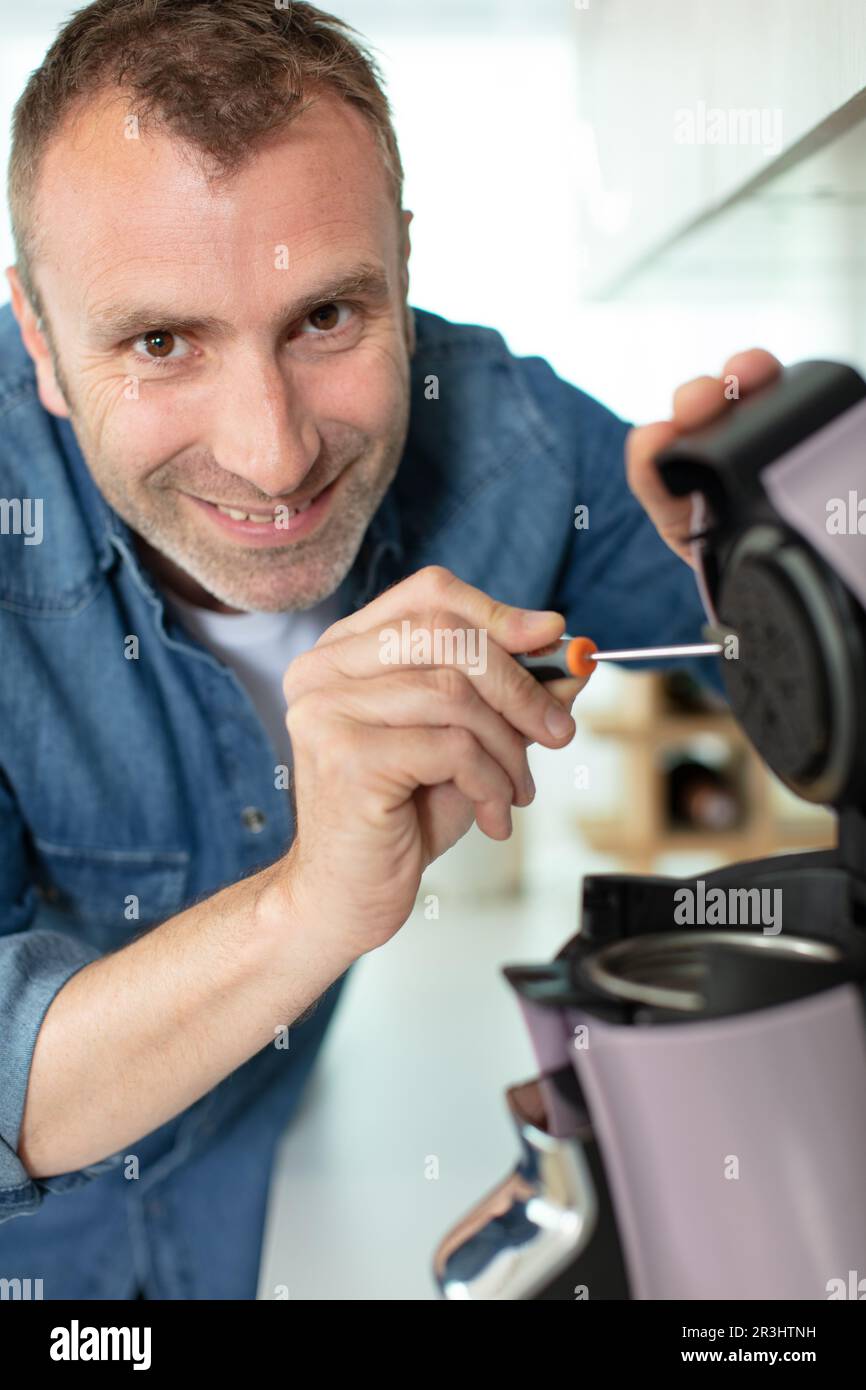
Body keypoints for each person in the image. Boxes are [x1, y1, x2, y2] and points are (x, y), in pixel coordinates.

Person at [0, 0, 780, 1298]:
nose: (274, 450)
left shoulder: (514, 442)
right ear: (39, 339)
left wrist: (802, 536)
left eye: (325, 319)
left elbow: (799, 689)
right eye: (159, 342)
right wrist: (314, 902)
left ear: (404, 266)